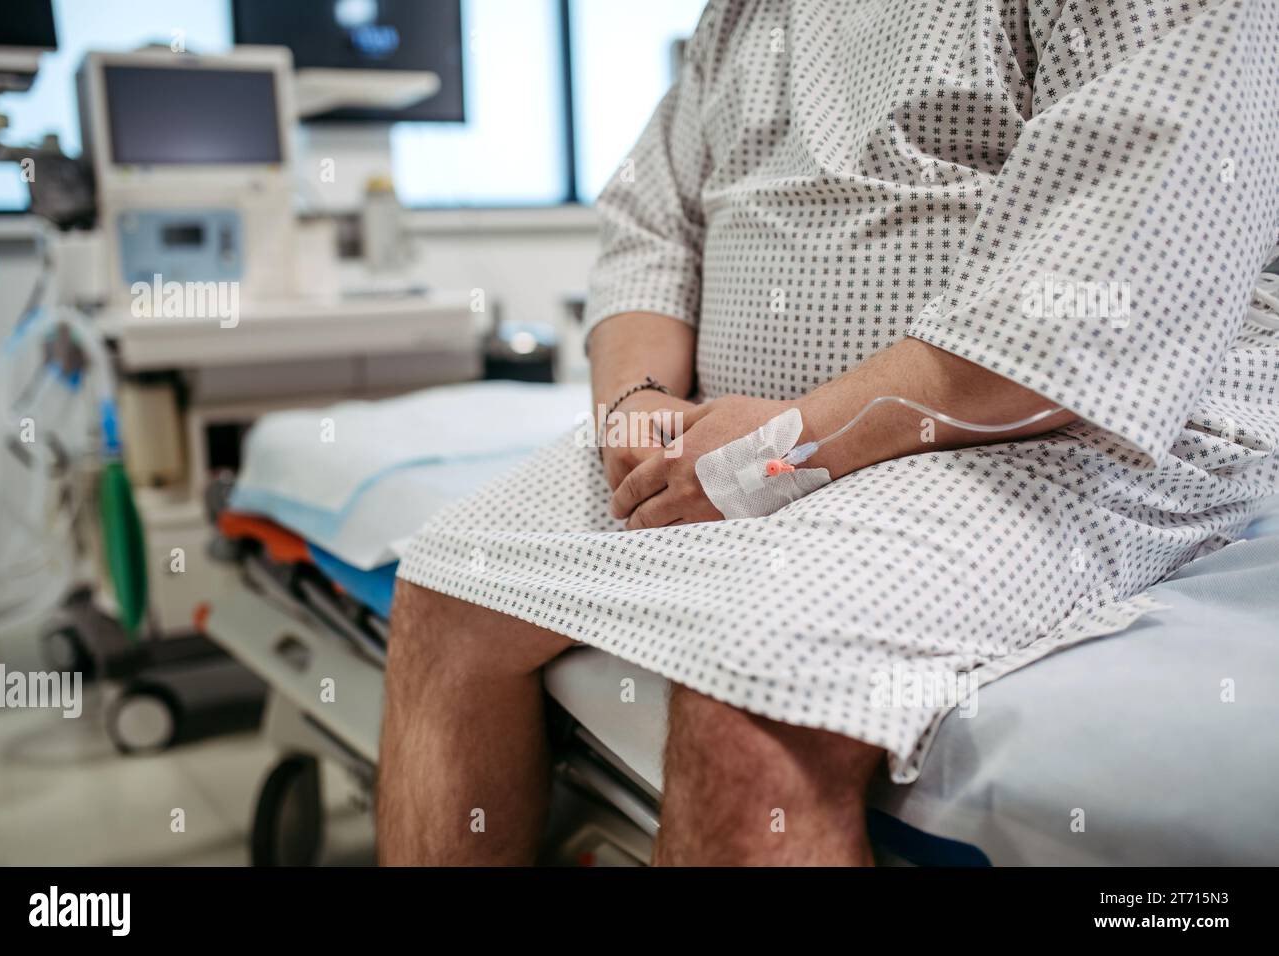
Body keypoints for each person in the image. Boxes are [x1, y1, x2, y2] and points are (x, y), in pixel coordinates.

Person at [377, 0, 1279, 865]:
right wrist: (638, 402)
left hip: (1053, 430)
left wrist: (781, 444)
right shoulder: (743, 13)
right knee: (449, 584)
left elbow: (1098, 297)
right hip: (744, 431)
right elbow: (651, 236)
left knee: (754, 682)